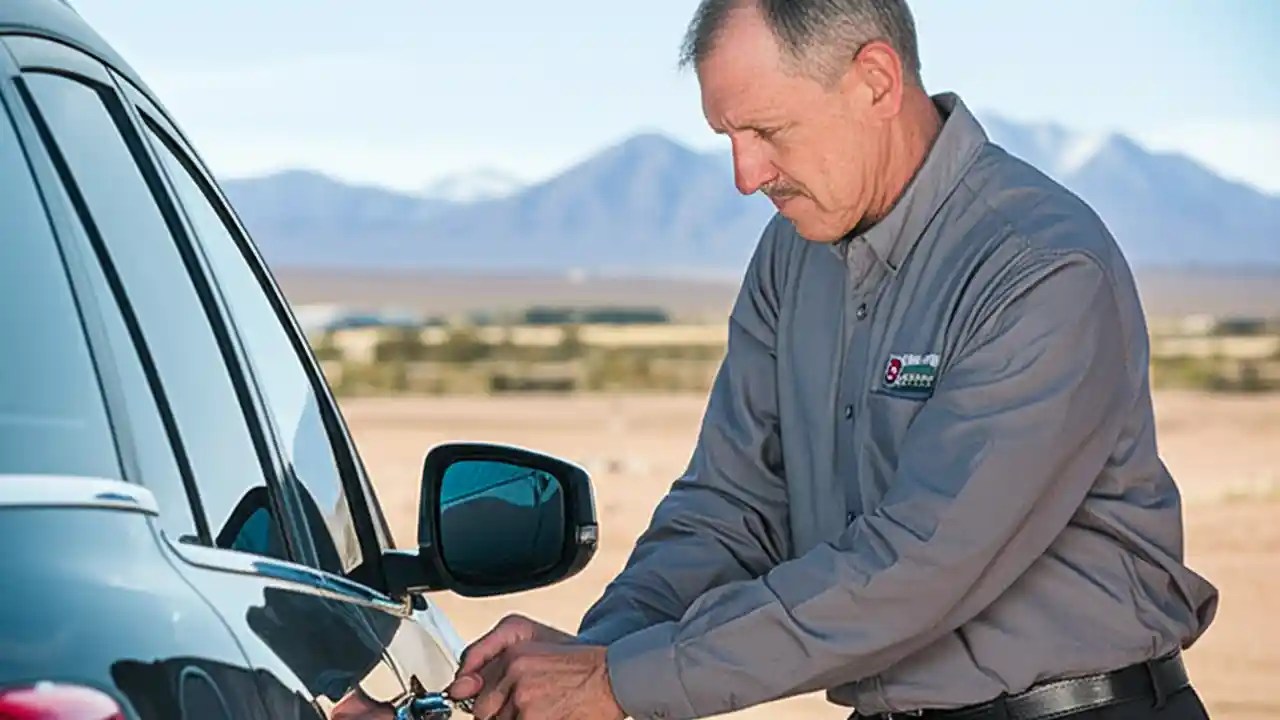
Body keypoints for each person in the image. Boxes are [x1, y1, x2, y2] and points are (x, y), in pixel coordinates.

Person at [445, 1, 1220, 718]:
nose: (746, 177)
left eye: (768, 132)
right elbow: (729, 507)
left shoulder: (1039, 269)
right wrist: (595, 651)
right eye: (728, 139)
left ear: (875, 82)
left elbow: (913, 568)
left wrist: (621, 683)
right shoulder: (793, 254)